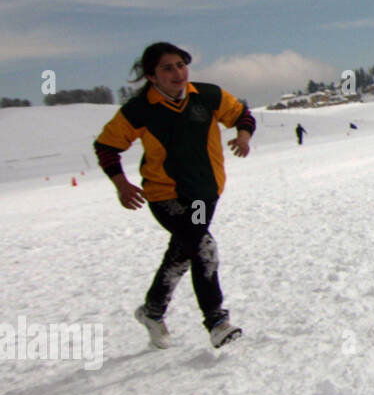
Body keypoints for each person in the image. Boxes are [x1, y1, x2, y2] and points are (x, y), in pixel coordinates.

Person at [93, 42, 254, 349]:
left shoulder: (208, 96)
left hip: (202, 195)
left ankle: (152, 312)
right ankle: (217, 322)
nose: (177, 73)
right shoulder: (140, 110)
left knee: (184, 251)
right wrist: (122, 185)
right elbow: (106, 146)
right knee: (202, 246)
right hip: (165, 196)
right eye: (167, 68)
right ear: (152, 77)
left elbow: (243, 116)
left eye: (181, 65)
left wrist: (243, 136)